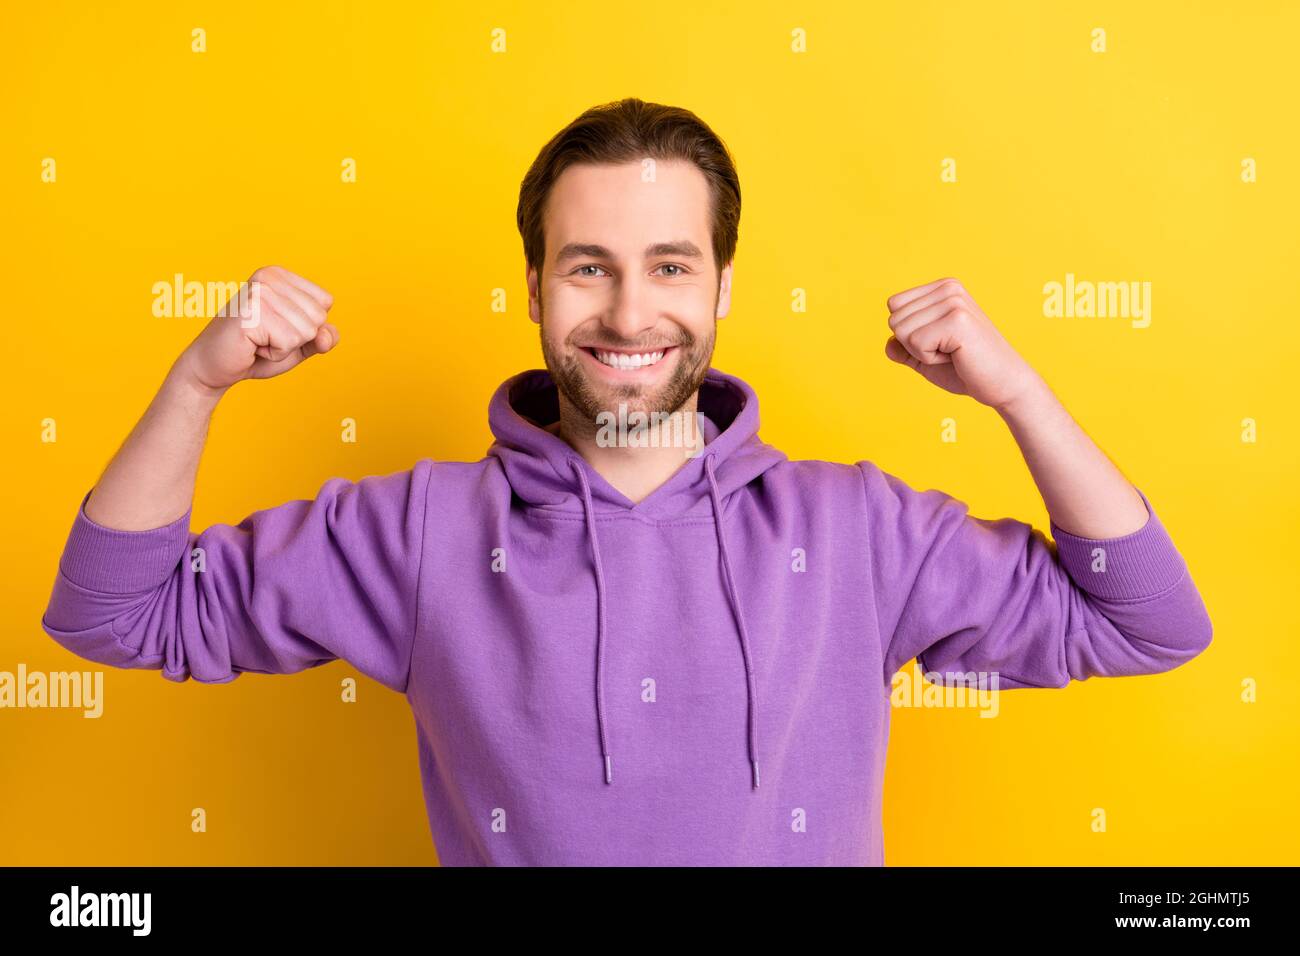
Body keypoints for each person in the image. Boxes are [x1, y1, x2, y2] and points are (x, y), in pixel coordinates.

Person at [40, 97, 1213, 866]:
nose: (627, 312)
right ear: (535, 285)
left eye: (669, 265)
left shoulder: (854, 530)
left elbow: (1148, 623)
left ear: (722, 289)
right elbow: (112, 612)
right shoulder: (416, 532)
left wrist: (1018, 391)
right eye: (587, 266)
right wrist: (195, 384)